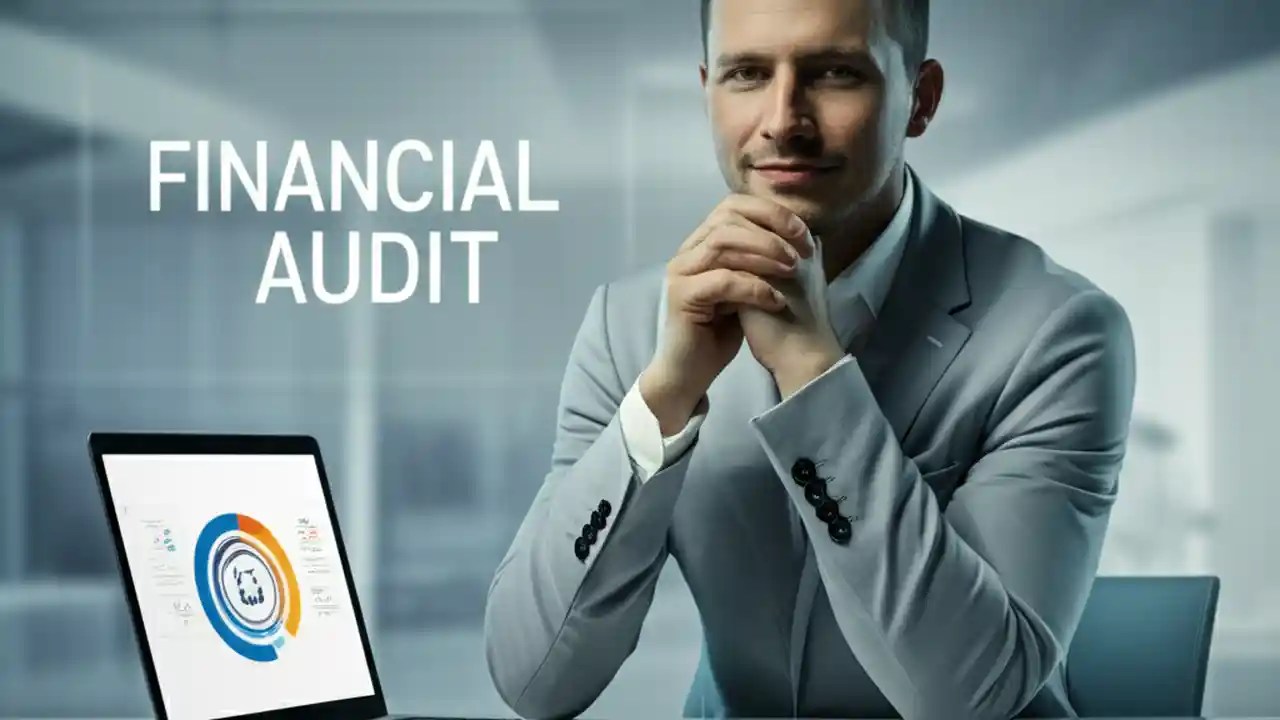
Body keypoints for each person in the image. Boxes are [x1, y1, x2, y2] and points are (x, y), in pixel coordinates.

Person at [483, 0, 1136, 717]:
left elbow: (973, 699)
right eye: (747, 74)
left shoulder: (1059, 332)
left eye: (833, 72)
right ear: (708, 91)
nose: (782, 121)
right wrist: (664, 397)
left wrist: (813, 375)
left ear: (921, 99)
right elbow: (533, 681)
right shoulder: (628, 326)